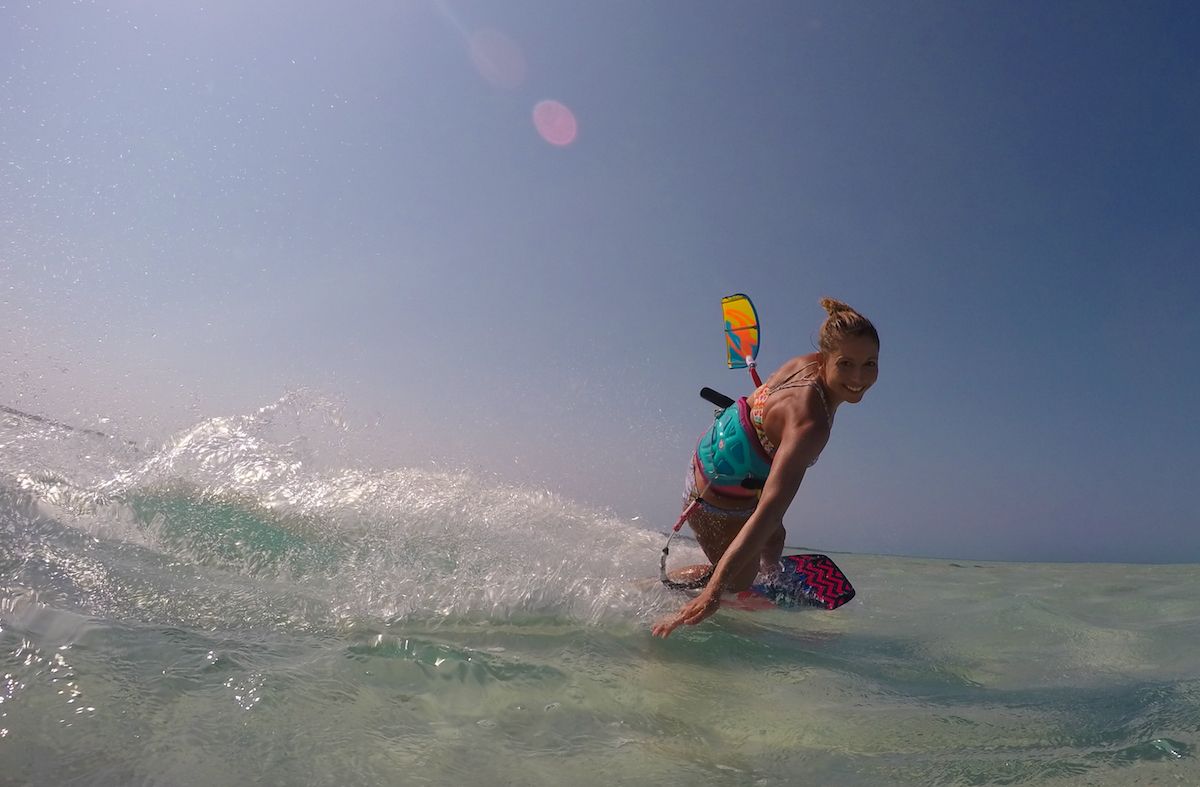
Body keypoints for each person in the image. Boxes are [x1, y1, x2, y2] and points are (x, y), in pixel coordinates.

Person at [651, 297, 879, 638]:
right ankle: (657, 590)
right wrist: (715, 594)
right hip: (712, 493)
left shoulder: (804, 364)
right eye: (845, 364)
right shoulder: (810, 426)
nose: (858, 377)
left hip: (712, 455)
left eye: (869, 364)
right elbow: (769, 511)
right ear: (824, 359)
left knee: (775, 539)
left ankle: (765, 573)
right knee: (735, 580)